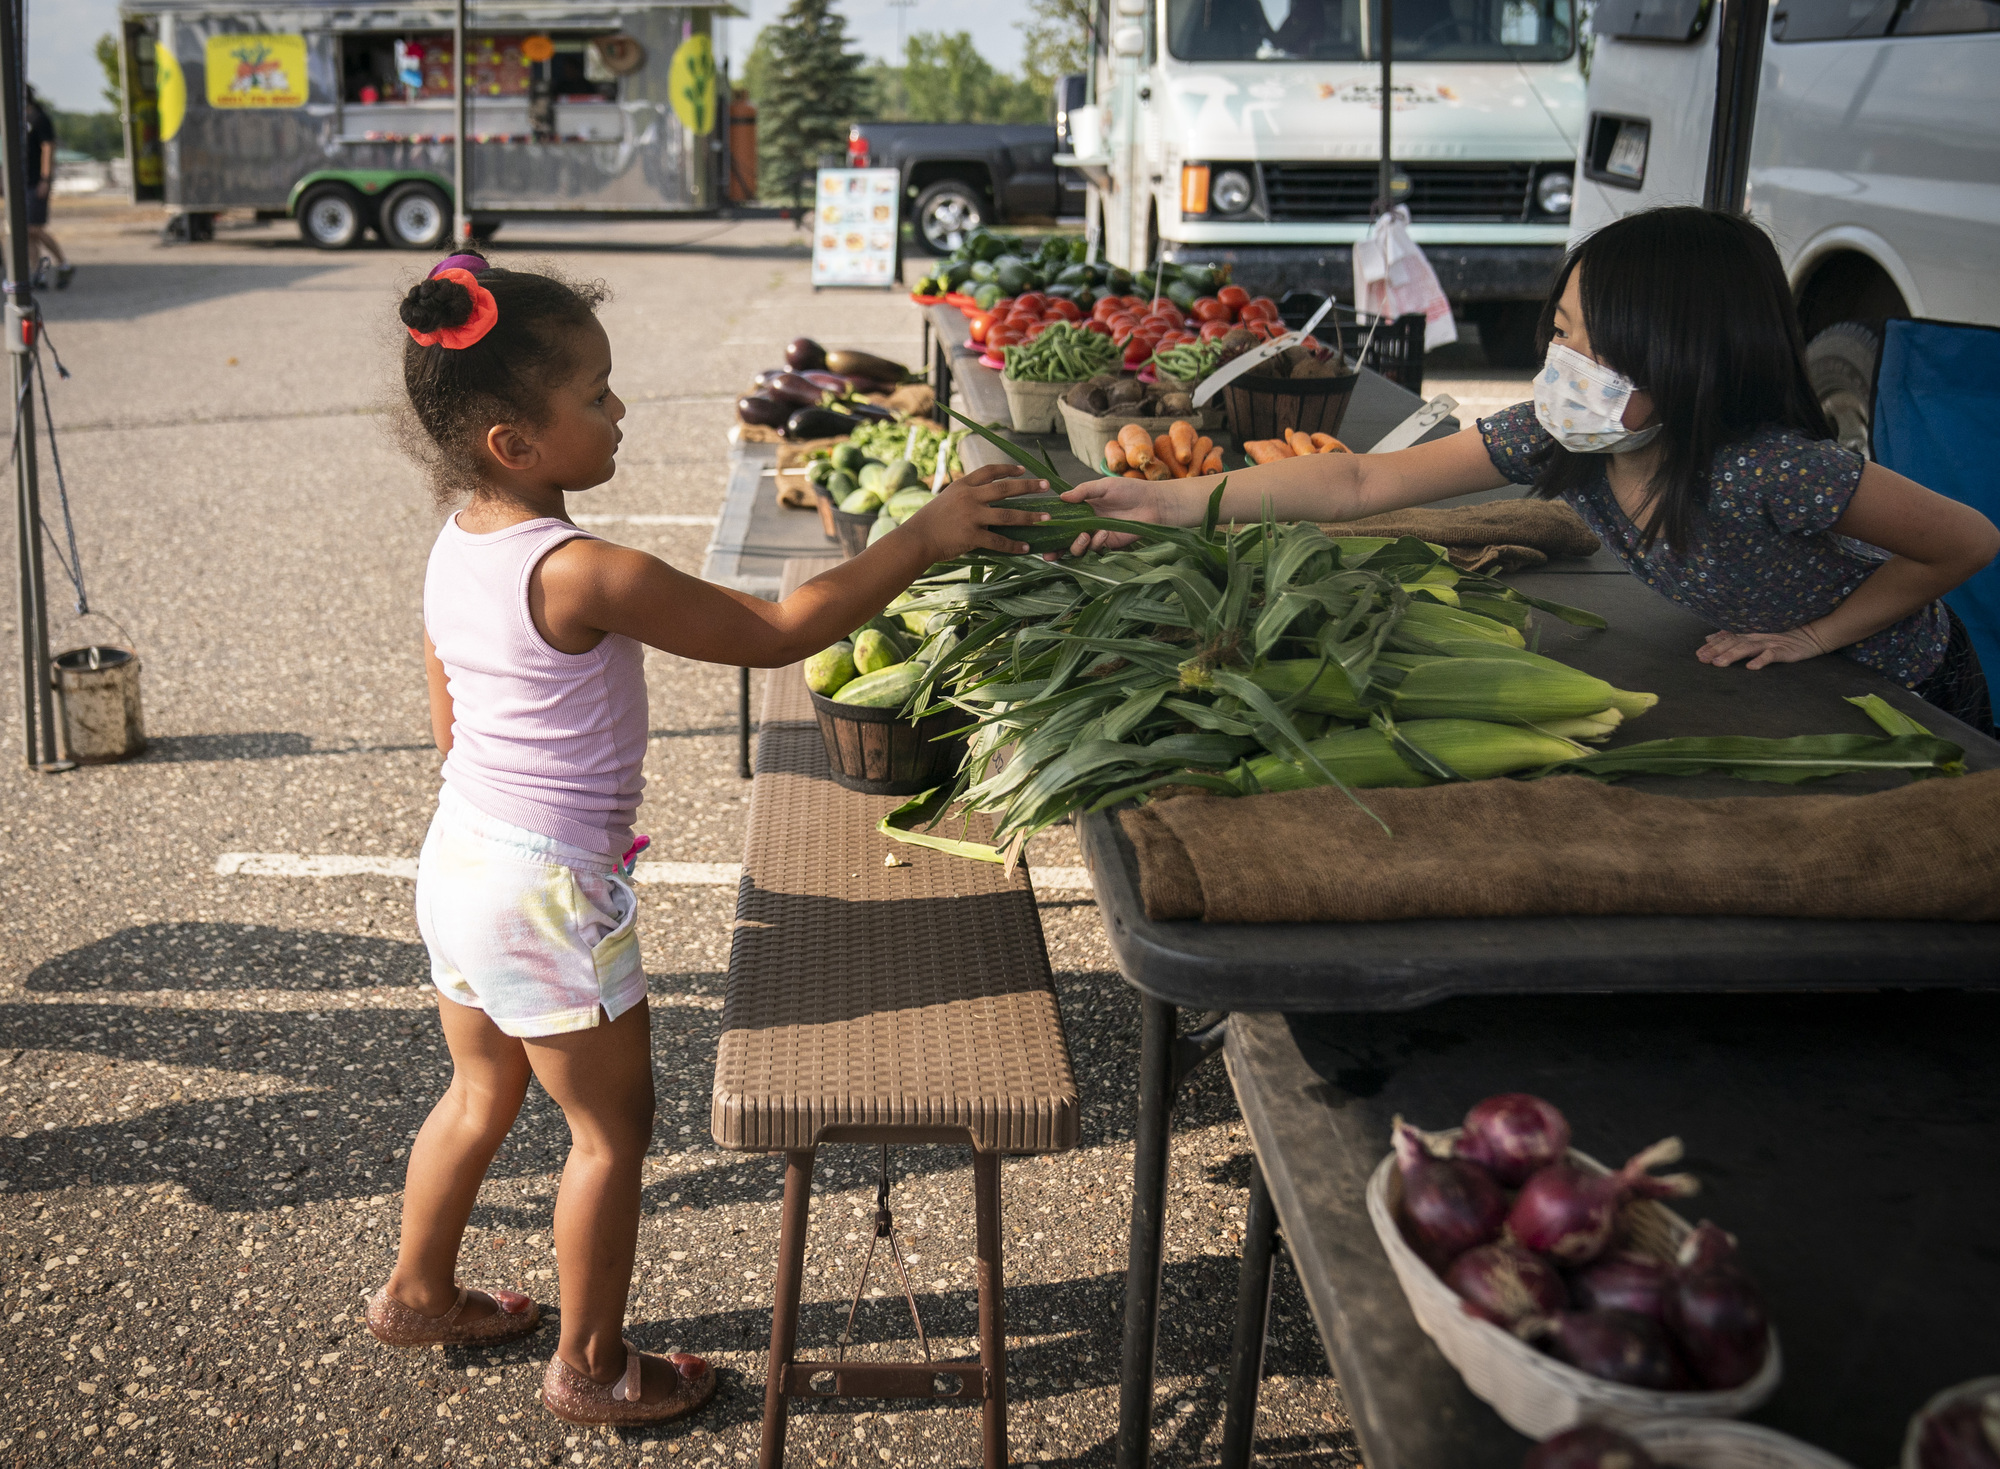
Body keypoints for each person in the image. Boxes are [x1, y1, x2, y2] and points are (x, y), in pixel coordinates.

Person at [372, 250, 1048, 1425]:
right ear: (511, 443)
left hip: (463, 850)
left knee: (479, 1093)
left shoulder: (457, 540)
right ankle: (592, 1363)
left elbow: (445, 697)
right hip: (541, 886)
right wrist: (926, 535)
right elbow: (780, 628)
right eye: (594, 394)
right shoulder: (583, 570)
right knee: (607, 1132)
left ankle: (418, 1290)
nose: (619, 407)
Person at [1062, 206, 2000, 733]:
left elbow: (1966, 541)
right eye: (1561, 335)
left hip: (1902, 688)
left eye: (1599, 350)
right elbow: (1360, 485)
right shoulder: (1567, 436)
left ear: (1696, 360)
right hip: (1776, 687)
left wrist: (1818, 634)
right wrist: (1166, 498)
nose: (1565, 372)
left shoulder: (1772, 471)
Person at [24, 88, 73, 290]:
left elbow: (48, 147)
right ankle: (38, 273)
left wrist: (45, 178)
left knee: (33, 228)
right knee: (27, 233)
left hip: (37, 181)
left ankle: (63, 263)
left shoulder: (38, 118)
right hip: (24, 182)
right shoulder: (21, 121)